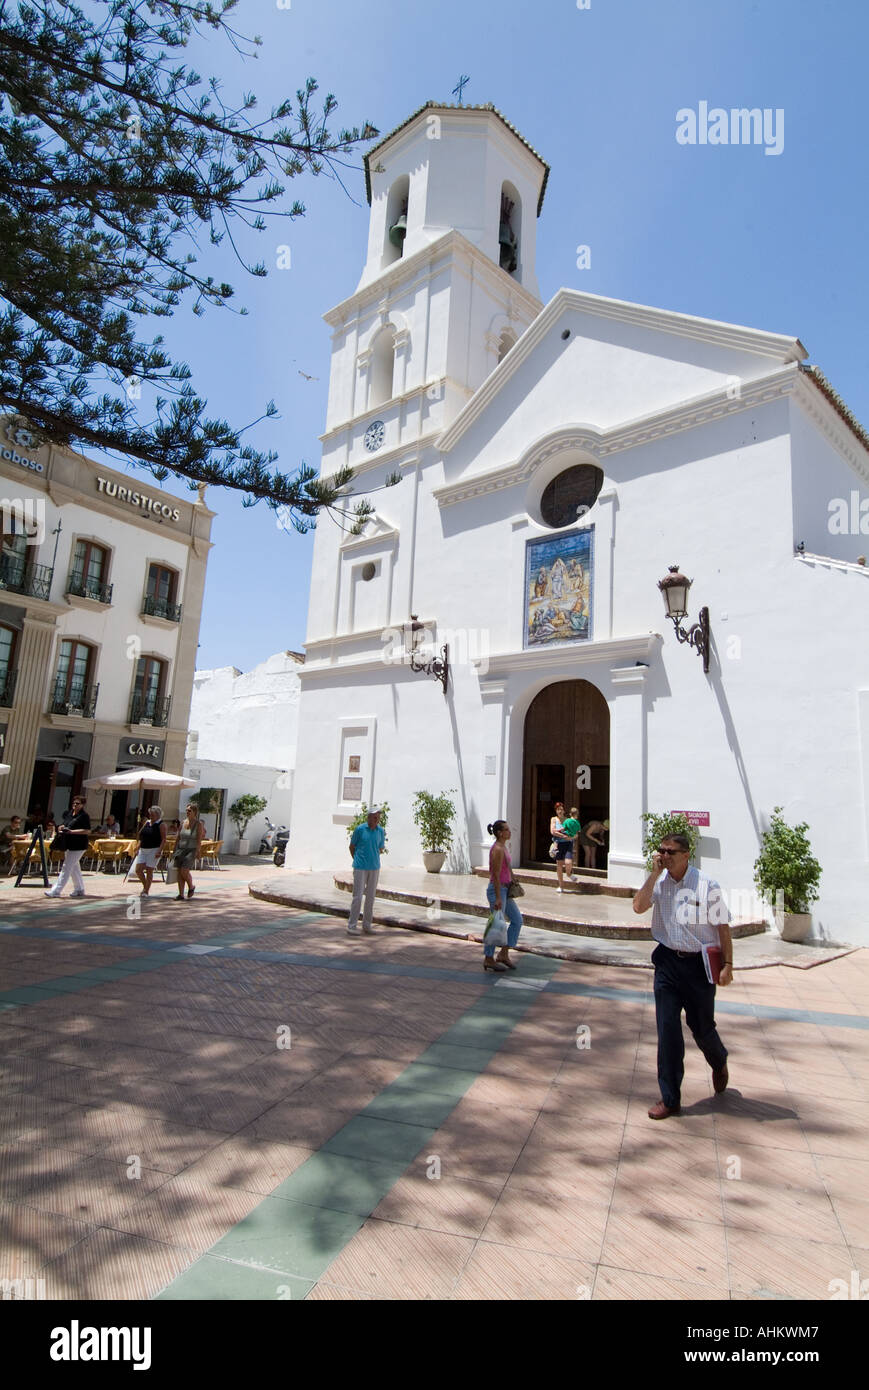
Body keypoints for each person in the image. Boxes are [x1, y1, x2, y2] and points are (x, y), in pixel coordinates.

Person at [632, 833, 733, 1120]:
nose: (664, 856)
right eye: (661, 851)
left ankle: (719, 1059)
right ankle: (670, 1098)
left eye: (670, 852)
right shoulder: (660, 882)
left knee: (701, 1027)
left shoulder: (706, 884)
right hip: (666, 964)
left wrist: (728, 964)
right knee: (667, 1030)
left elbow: (723, 927)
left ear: (686, 855)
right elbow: (638, 907)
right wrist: (653, 875)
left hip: (698, 967)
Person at [484, 819, 522, 972]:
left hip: (506, 889)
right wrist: (499, 897)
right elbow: (496, 874)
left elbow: (507, 868)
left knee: (517, 920)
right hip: (497, 890)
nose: (509, 831)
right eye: (506, 829)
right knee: (496, 924)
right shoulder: (497, 849)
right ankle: (488, 958)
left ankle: (504, 953)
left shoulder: (503, 847)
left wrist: (513, 878)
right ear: (500, 833)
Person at [347, 806, 385, 936]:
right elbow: (352, 847)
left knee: (371, 897)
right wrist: (358, 859)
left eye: (378, 817)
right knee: (357, 896)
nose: (376, 819)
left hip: (374, 867)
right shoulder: (360, 830)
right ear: (368, 817)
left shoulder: (380, 831)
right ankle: (352, 925)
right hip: (360, 867)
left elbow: (380, 848)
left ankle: (367, 924)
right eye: (374, 817)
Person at [44, 795, 91, 899]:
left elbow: (87, 830)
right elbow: (66, 824)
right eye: (74, 803)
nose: (74, 805)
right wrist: (61, 827)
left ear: (82, 805)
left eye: (77, 803)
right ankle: (79, 889)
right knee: (74, 867)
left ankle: (56, 890)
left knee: (67, 867)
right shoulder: (70, 813)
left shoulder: (84, 816)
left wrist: (72, 832)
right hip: (68, 844)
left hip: (79, 845)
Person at [172, 802, 205, 901]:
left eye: (189, 810)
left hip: (191, 850)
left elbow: (199, 840)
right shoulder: (183, 822)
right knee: (179, 872)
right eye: (186, 810)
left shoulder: (198, 824)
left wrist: (198, 852)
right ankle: (181, 894)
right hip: (181, 849)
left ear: (194, 812)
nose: (187, 812)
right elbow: (178, 837)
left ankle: (191, 886)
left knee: (184, 870)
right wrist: (174, 850)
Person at [133, 805, 166, 896]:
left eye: (153, 815)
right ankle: (145, 886)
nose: (151, 816)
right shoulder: (147, 822)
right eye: (150, 814)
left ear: (158, 815)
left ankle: (146, 890)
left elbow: (164, 839)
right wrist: (137, 847)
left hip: (154, 849)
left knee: (149, 870)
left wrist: (159, 850)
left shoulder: (161, 824)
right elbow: (141, 836)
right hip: (143, 849)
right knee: (138, 870)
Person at [550, 801, 575, 891]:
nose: (560, 811)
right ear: (556, 811)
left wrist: (569, 836)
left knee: (568, 862)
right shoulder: (554, 819)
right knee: (559, 865)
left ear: (564, 810)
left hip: (568, 844)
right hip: (558, 844)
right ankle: (561, 886)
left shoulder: (568, 820)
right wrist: (564, 836)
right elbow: (552, 831)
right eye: (558, 809)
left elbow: (574, 833)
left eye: (561, 809)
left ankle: (569, 874)